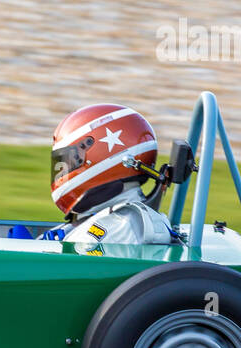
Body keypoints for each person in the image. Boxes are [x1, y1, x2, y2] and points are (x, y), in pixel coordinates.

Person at [47, 104, 176, 245]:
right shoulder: (117, 217)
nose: (63, 168)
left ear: (100, 153)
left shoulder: (111, 229)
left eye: (71, 158)